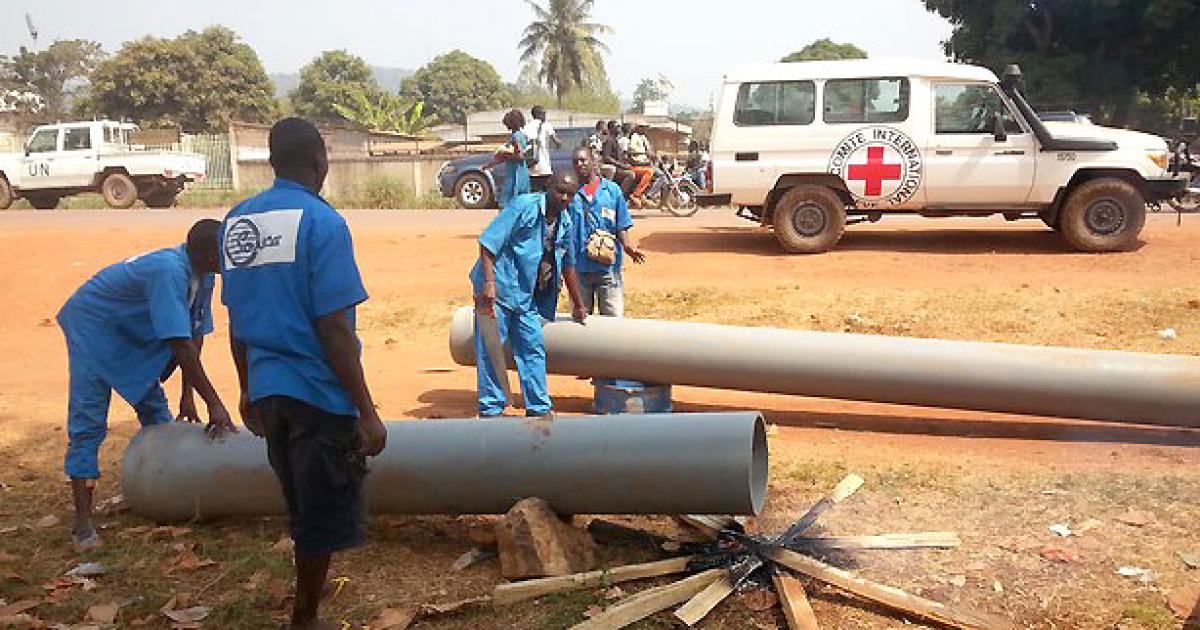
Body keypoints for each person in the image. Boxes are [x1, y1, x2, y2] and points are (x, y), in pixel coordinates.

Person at [221, 117, 387, 630]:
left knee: (300, 505)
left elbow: (237, 319)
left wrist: (247, 389)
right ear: (321, 162)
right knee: (320, 515)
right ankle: (305, 616)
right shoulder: (322, 222)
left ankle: (306, 610)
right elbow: (334, 326)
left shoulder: (239, 221)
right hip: (316, 393)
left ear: (273, 162)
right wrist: (367, 411)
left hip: (269, 390)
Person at [58, 219, 233, 552]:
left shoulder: (206, 277)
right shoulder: (168, 271)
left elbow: (194, 335)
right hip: (93, 327)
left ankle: (167, 492)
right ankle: (82, 525)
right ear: (210, 253)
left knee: (157, 412)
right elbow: (179, 344)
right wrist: (215, 403)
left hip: (130, 332)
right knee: (89, 420)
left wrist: (189, 397)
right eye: (225, 251)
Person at [471, 171, 588, 418]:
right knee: (491, 348)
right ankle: (491, 409)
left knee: (532, 347)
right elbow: (488, 242)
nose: (564, 197)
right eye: (560, 191)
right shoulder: (524, 206)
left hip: (525, 295)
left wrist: (578, 304)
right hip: (497, 288)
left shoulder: (565, 221)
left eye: (570, 194)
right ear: (548, 186)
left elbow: (567, 264)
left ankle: (538, 407)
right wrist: (490, 283)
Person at [569, 147, 646, 317]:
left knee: (612, 321)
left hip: (608, 268)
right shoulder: (569, 193)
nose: (579, 164)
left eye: (583, 160)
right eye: (575, 162)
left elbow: (622, 224)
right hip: (578, 267)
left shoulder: (612, 191)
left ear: (593, 161)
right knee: (581, 321)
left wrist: (627, 246)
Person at [482, 109, 532, 209]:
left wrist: (506, 153)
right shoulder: (522, 136)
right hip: (522, 172)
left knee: (506, 201)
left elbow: (520, 156)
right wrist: (490, 164)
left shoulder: (515, 138)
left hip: (515, 174)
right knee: (522, 201)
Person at [523, 105, 561, 192]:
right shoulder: (547, 126)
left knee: (534, 193)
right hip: (544, 168)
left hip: (531, 167)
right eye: (544, 113)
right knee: (546, 193)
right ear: (539, 114)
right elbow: (557, 142)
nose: (545, 116)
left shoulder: (526, 127)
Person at [600, 120, 636, 198]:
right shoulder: (609, 140)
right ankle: (618, 197)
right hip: (613, 168)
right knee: (630, 175)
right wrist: (621, 165)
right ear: (611, 129)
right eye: (617, 127)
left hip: (618, 167)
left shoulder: (615, 140)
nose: (619, 129)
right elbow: (607, 157)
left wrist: (626, 163)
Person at [627, 124, 656, 208]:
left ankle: (644, 195)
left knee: (656, 175)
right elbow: (631, 150)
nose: (645, 129)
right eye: (644, 127)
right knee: (649, 172)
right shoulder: (634, 137)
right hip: (636, 164)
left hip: (645, 162)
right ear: (639, 128)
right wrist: (644, 154)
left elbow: (649, 149)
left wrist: (652, 154)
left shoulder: (643, 138)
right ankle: (636, 194)